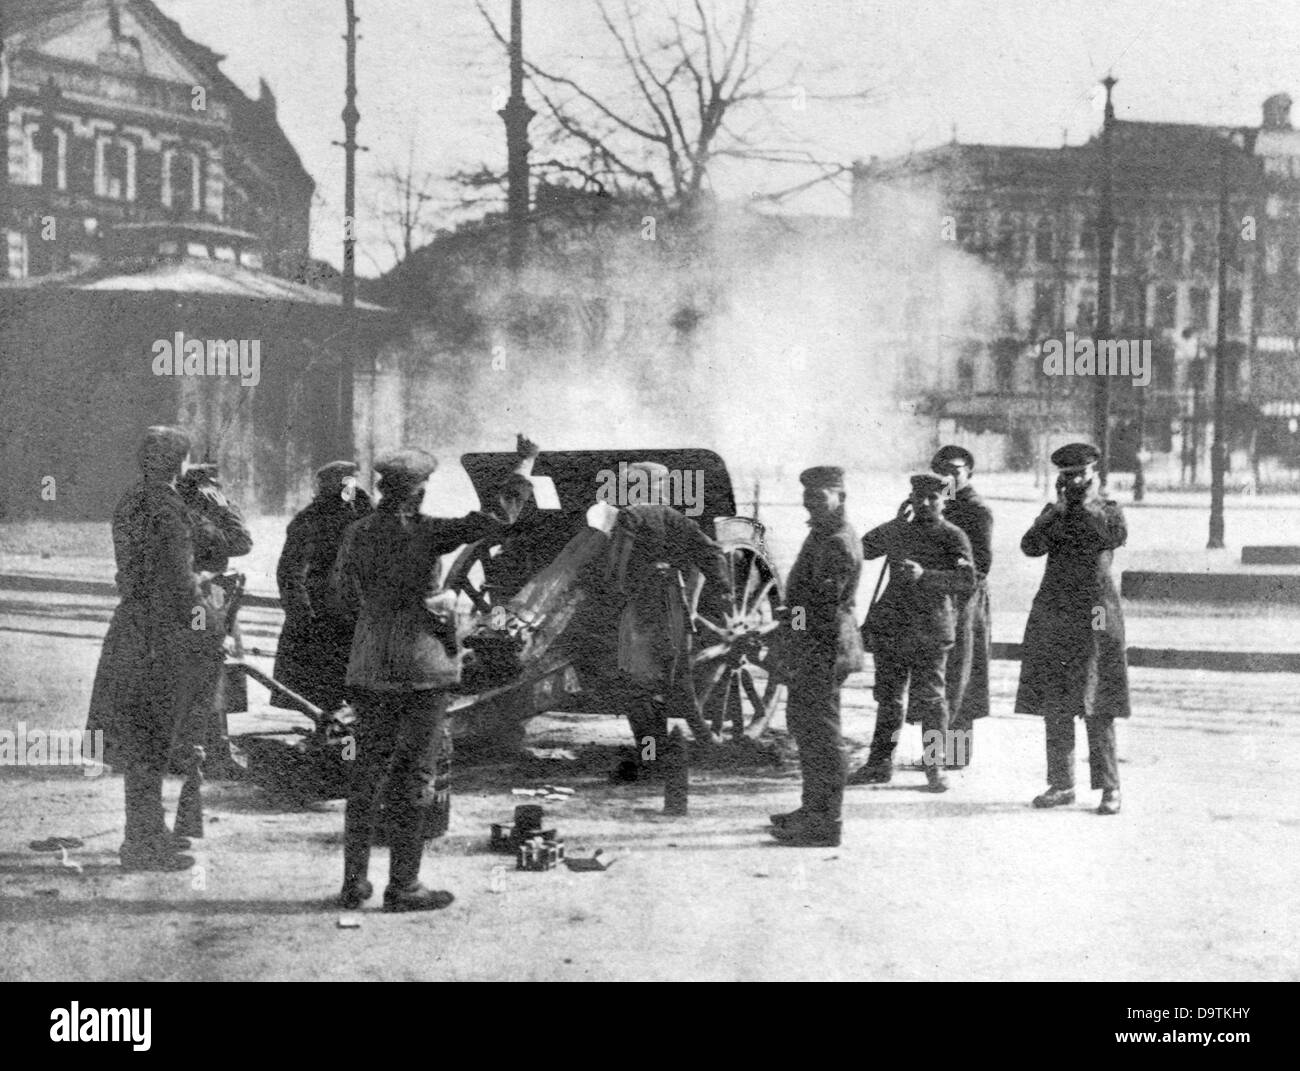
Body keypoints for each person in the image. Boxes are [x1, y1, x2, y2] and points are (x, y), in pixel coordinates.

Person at [331, 435, 539, 912]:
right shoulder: (428, 532)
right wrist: (524, 464)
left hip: (369, 668)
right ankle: (404, 887)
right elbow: (498, 518)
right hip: (421, 670)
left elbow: (341, 596)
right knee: (414, 776)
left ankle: (353, 884)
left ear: (384, 489)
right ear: (419, 491)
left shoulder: (357, 532)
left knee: (365, 775)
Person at [85, 426, 212, 871]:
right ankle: (142, 843)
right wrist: (204, 617)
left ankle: (148, 832)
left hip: (134, 628)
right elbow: (180, 581)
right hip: (162, 634)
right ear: (178, 464)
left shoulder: (132, 498)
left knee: (143, 739)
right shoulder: (166, 505)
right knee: (152, 740)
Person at [1016, 443, 1129, 815]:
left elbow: (1107, 536)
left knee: (1098, 702)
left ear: (1094, 474)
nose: (1074, 481)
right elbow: (1030, 546)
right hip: (1057, 612)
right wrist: (1058, 511)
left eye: (1080, 475)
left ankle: (1110, 787)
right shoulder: (1056, 511)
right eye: (1067, 476)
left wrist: (1081, 504)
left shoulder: (1108, 509)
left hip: (1096, 613)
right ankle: (1061, 783)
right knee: (1057, 702)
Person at [604, 461, 732, 778]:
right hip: (672, 605)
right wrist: (724, 588)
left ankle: (651, 758)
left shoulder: (629, 515)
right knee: (675, 681)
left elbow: (616, 565)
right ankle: (691, 747)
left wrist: (612, 595)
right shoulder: (677, 519)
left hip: (638, 611)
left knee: (639, 687)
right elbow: (712, 552)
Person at [849, 474, 975, 792]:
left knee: (932, 700)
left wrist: (925, 576)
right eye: (919, 497)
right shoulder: (898, 530)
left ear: (944, 500)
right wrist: (893, 522)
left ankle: (935, 766)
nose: (926, 503)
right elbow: (863, 549)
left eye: (933, 497)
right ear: (911, 498)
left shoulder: (953, 536)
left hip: (931, 630)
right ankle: (879, 763)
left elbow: (966, 582)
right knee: (889, 699)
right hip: (893, 628)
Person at [769, 466, 864, 847]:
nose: (811, 502)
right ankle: (813, 809)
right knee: (808, 729)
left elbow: (822, 608)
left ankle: (827, 822)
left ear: (840, 497)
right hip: (814, 647)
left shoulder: (838, 541)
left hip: (824, 649)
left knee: (822, 735)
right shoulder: (823, 534)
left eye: (820, 496)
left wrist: (789, 617)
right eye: (808, 495)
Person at [171, 462, 253, 783]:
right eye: (214, 488)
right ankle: (211, 754)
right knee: (212, 673)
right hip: (208, 598)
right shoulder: (200, 521)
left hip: (203, 597)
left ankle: (205, 750)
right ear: (206, 491)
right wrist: (223, 505)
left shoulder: (182, 514)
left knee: (206, 674)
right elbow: (242, 541)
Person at [274, 460, 373, 713]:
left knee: (354, 683)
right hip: (324, 608)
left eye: (351, 481)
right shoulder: (310, 520)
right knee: (326, 683)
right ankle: (331, 730)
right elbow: (290, 571)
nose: (350, 488)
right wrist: (301, 612)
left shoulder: (366, 514)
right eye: (344, 482)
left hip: (357, 605)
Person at [930, 445, 993, 768]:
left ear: (968, 473)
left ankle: (954, 755)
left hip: (966, 603)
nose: (947, 478)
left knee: (961, 678)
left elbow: (981, 566)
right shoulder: (936, 506)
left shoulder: (975, 510)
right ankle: (936, 756)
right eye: (941, 472)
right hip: (940, 599)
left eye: (954, 471)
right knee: (937, 678)